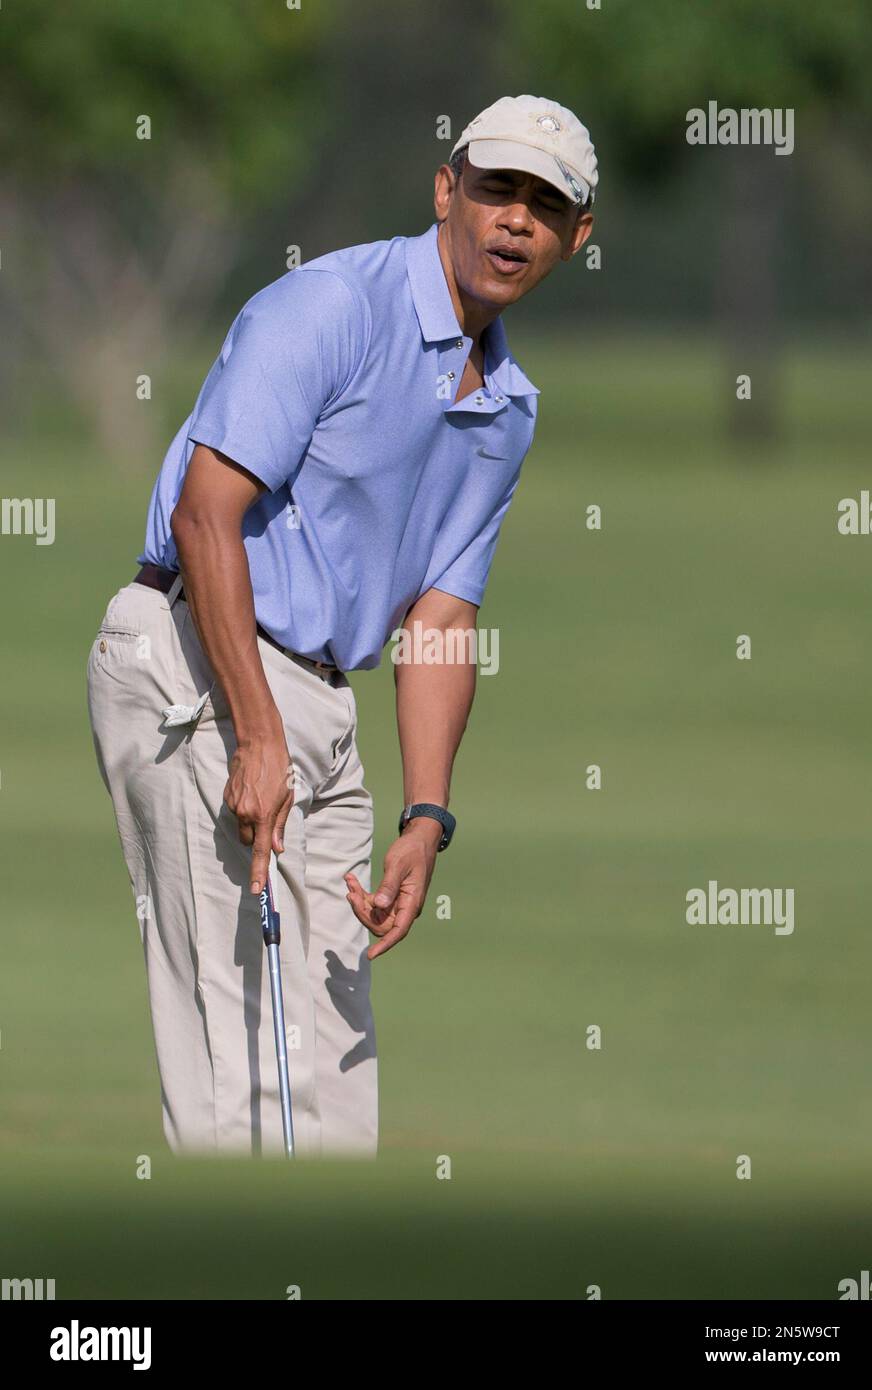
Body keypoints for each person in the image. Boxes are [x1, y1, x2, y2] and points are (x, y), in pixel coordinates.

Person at [86, 94, 597, 1157]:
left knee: (331, 1068)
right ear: (445, 190)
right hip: (195, 655)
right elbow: (204, 512)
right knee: (245, 1072)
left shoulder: (507, 403)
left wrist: (424, 815)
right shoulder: (329, 307)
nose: (513, 221)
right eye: (496, 188)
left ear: (574, 238)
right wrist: (257, 732)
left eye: (543, 206)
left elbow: (443, 617)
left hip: (319, 692)